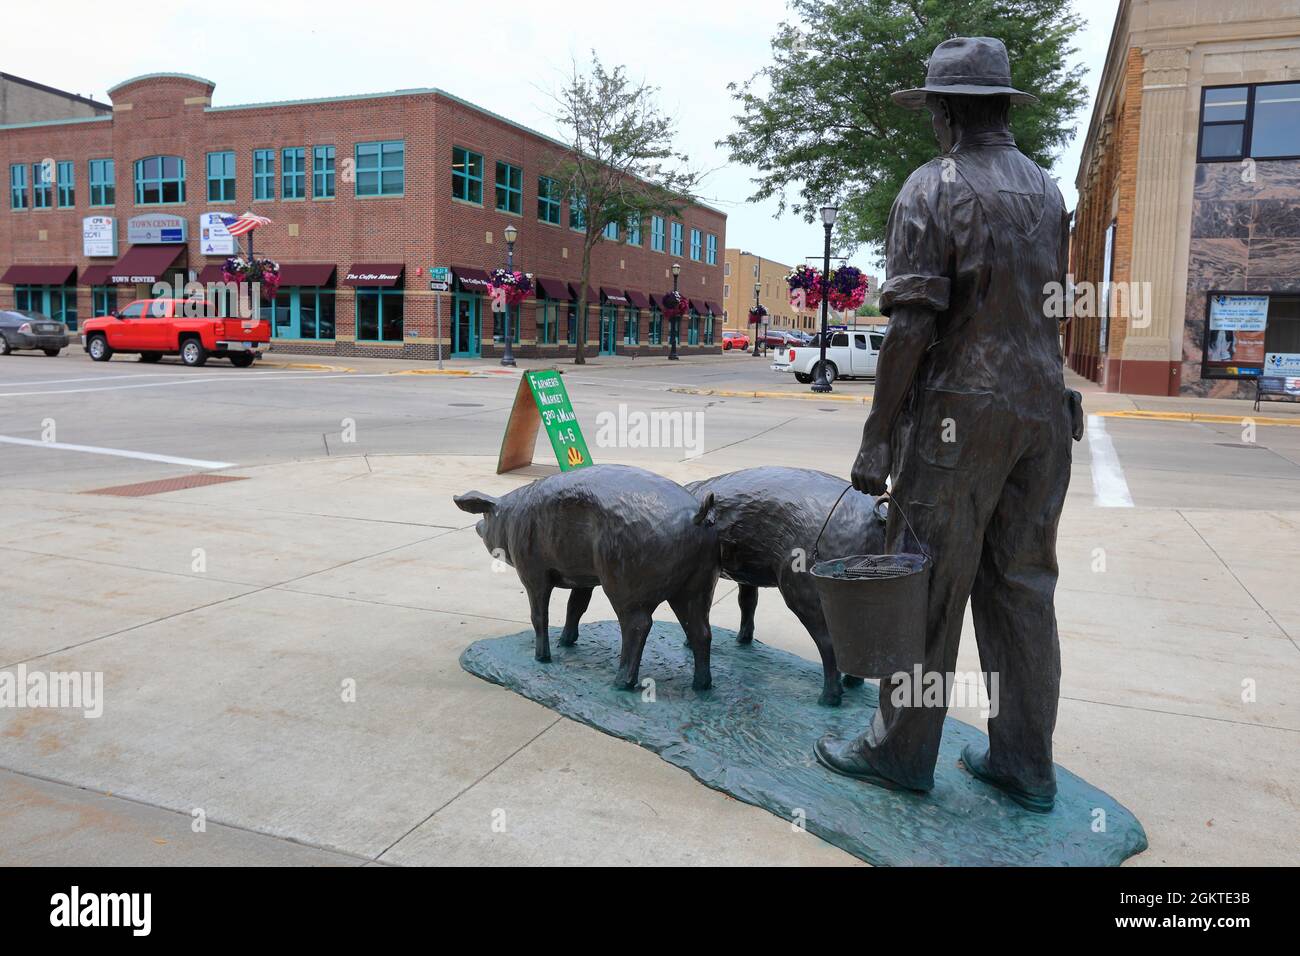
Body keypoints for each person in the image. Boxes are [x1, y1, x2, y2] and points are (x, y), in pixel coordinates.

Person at [814, 37, 1081, 813]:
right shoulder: (1047, 189)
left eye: (934, 106)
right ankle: (1025, 764)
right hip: (1043, 411)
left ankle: (900, 751)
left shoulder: (931, 187)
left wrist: (875, 433)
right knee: (1025, 588)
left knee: (925, 585)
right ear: (1001, 105)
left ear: (946, 110)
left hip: (960, 417)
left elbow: (909, 326)